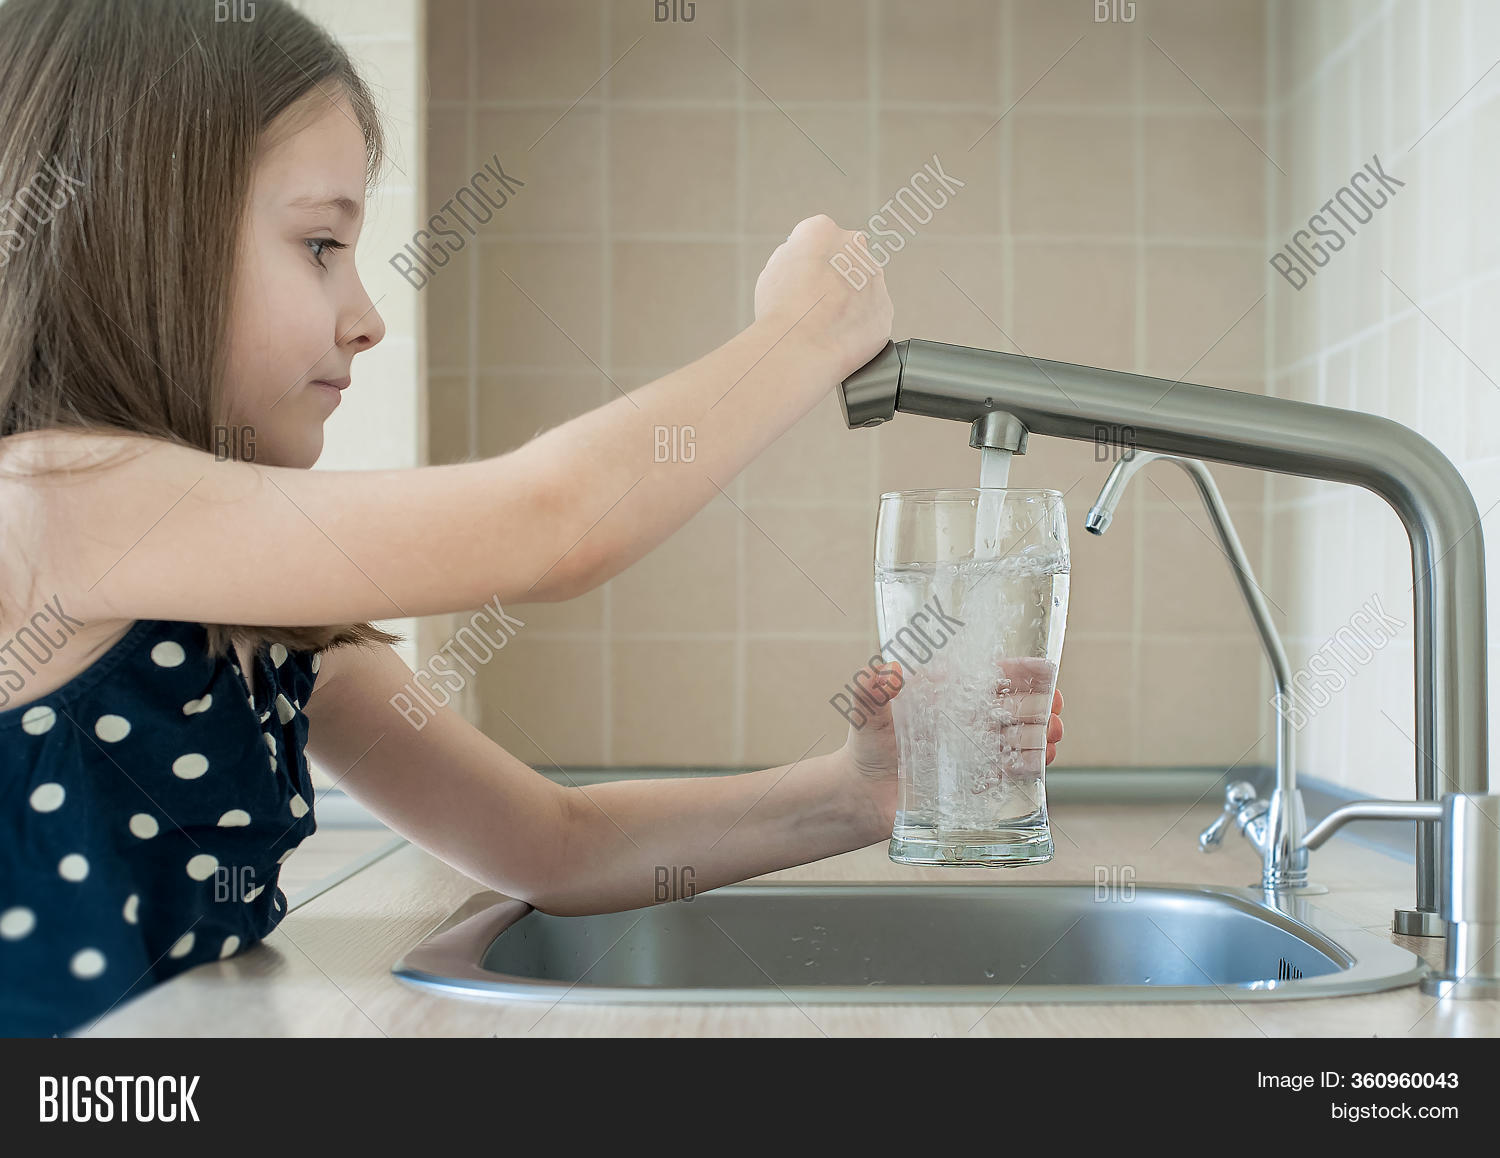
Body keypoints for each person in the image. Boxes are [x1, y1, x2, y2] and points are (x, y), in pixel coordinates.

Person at [0, 0, 1064, 1036]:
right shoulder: (50, 505)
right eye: (322, 244)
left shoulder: (258, 624)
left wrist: (852, 794)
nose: (366, 317)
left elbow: (553, 845)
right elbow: (551, 524)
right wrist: (803, 333)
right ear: (135, 235)